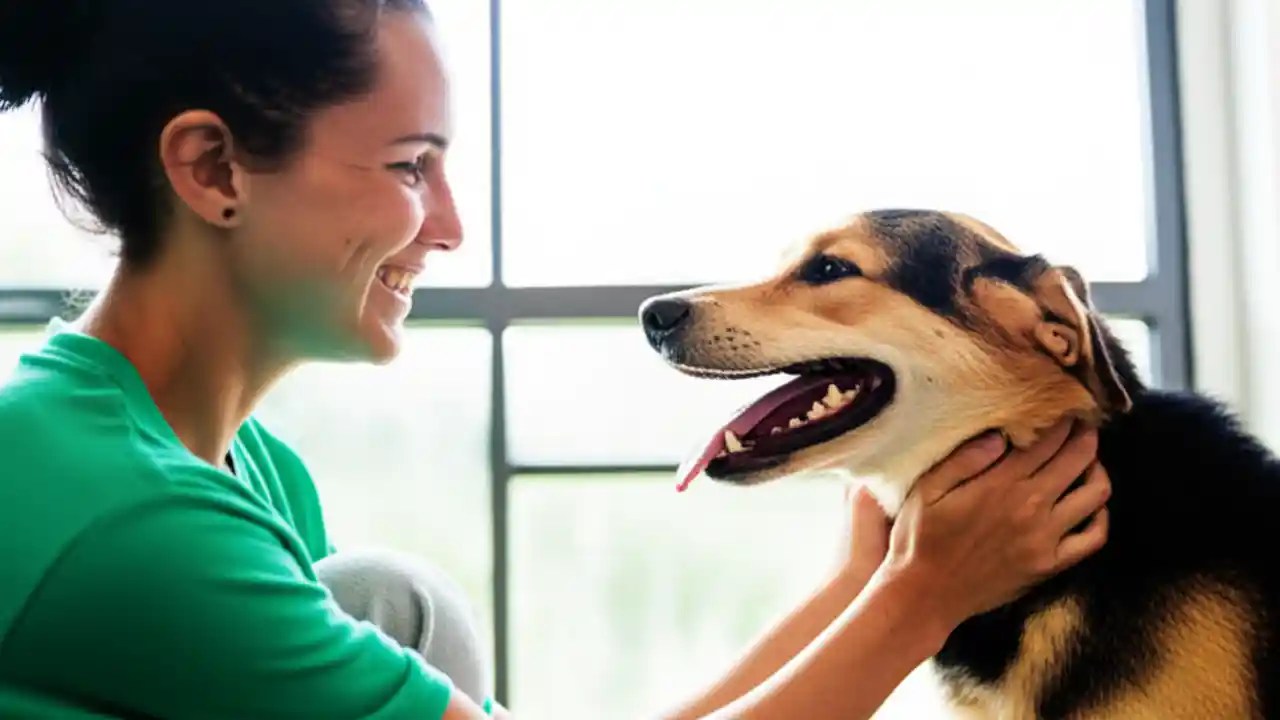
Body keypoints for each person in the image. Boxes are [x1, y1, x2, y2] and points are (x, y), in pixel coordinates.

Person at [0, 2, 1110, 719]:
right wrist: (920, 601)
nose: (448, 227)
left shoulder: (242, 470)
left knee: (391, 602)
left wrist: (858, 590)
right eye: (407, 166)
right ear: (211, 169)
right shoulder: (128, 514)